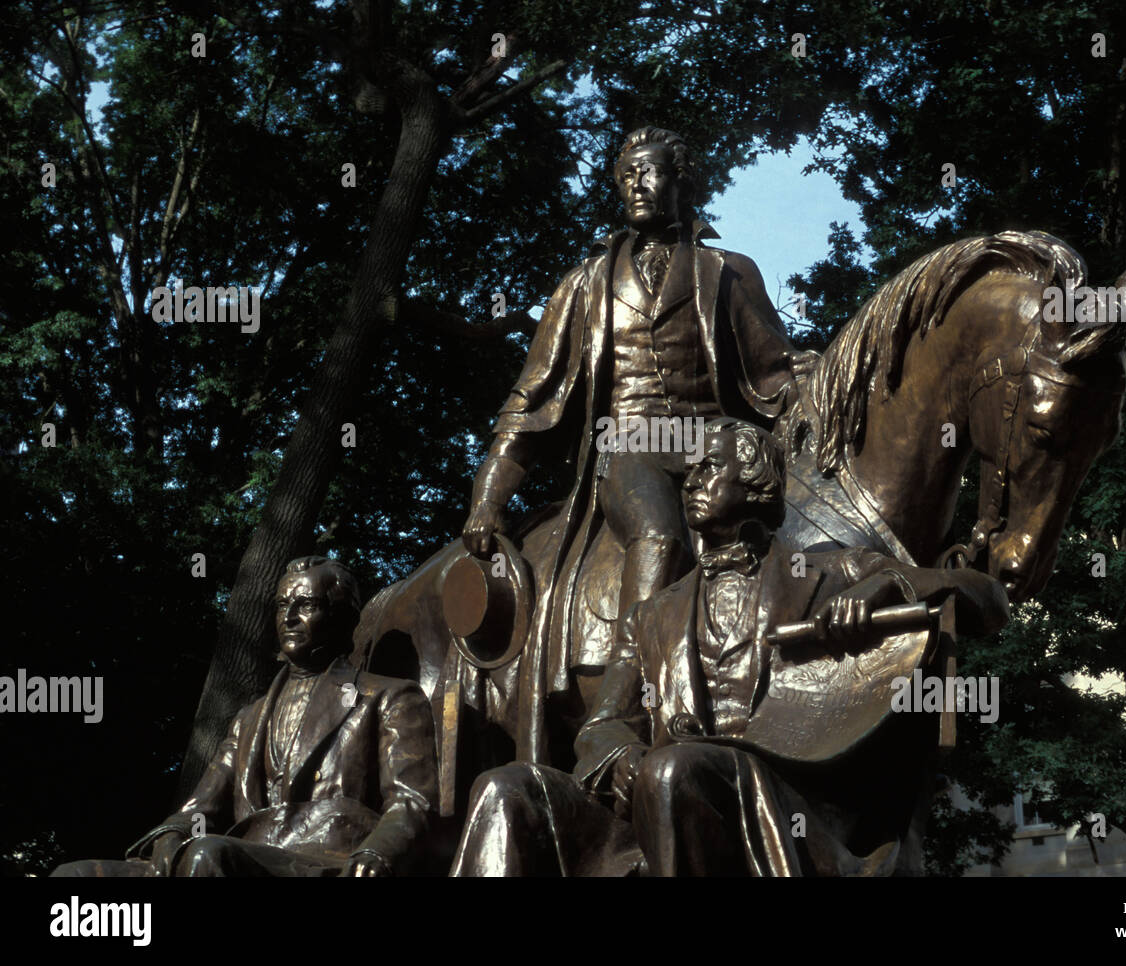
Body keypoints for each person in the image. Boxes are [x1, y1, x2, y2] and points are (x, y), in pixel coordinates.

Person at [451, 419, 1008, 875]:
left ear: (758, 485)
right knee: (505, 789)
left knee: (673, 771)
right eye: (688, 472)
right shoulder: (650, 615)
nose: (691, 481)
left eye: (710, 469)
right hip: (652, 807)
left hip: (782, 804)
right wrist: (620, 757)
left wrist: (890, 584)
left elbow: (987, 599)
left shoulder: (827, 571)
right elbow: (602, 726)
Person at [459, 126, 817, 760]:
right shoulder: (584, 284)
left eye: (651, 174)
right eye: (627, 177)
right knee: (658, 536)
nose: (638, 186)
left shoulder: (727, 273)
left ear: (682, 181)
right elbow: (529, 401)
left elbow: (775, 374)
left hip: (720, 444)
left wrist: (819, 382)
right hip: (630, 443)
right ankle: (615, 710)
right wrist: (487, 498)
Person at [52, 557, 438, 877]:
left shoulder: (388, 696)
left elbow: (411, 803)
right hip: (238, 853)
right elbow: (201, 808)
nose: (288, 617)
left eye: (306, 605)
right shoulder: (249, 717)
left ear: (342, 617)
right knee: (76, 875)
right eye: (282, 606)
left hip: (324, 858)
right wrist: (172, 833)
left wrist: (376, 856)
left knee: (207, 855)